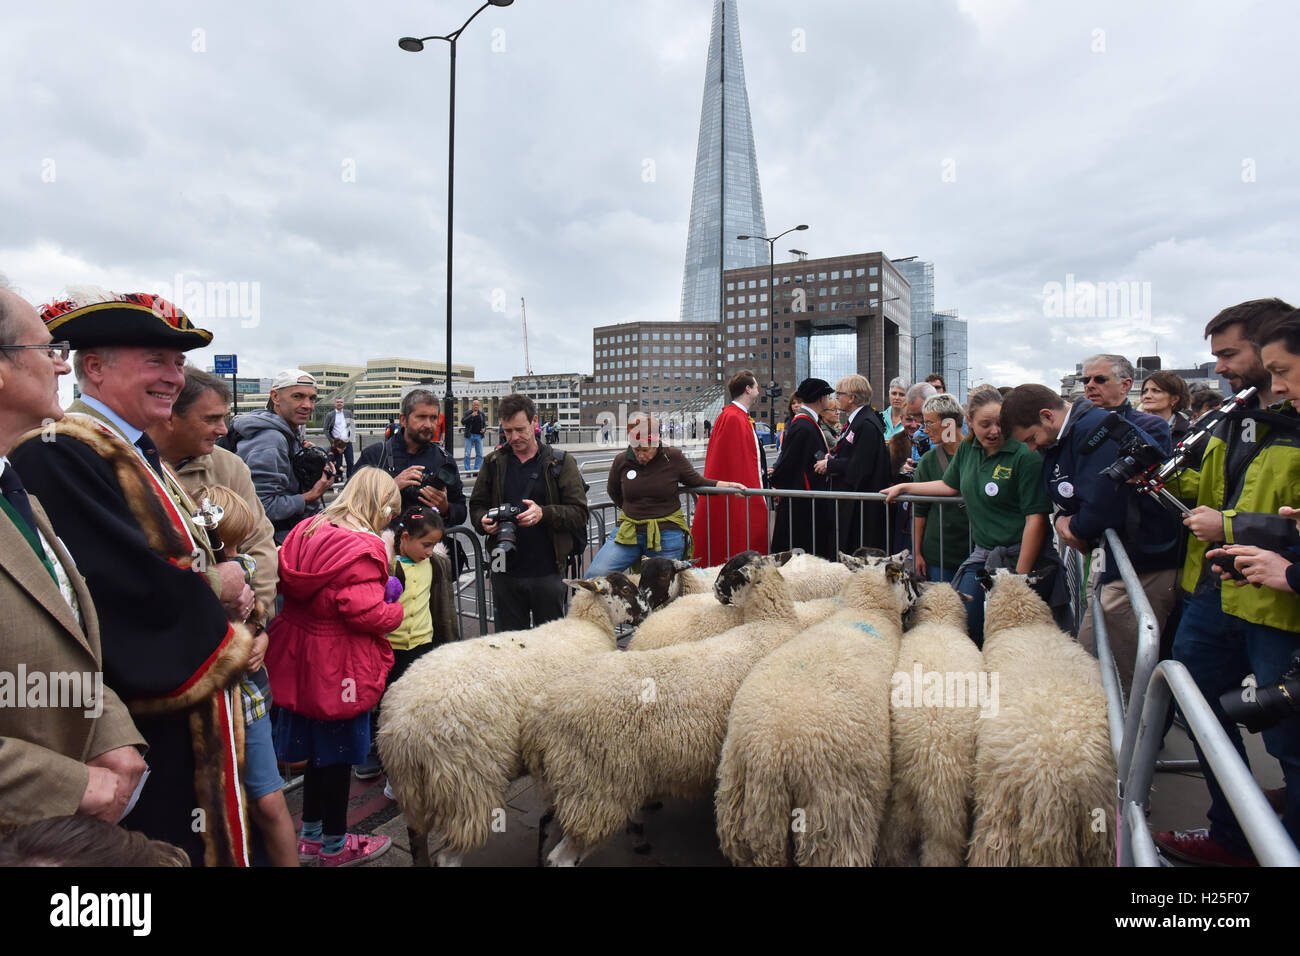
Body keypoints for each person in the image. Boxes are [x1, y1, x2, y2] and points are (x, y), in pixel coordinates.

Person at [10, 287, 256, 866]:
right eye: (156, 360)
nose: (175, 376)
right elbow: (126, 591)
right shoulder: (60, 450)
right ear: (94, 368)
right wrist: (223, 605)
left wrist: (233, 588)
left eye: (178, 363)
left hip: (179, 718)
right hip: (147, 728)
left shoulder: (133, 448)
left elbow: (196, 558)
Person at [1155, 298, 1300, 866]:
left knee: (1288, 741)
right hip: (1215, 592)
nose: (1219, 367)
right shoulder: (1236, 416)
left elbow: (1261, 514)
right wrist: (1158, 476)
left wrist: (1231, 525)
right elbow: (1208, 492)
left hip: (1278, 607)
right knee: (1199, 709)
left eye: (1230, 354)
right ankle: (1234, 835)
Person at [0, 282, 146, 834]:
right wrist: (68, 785)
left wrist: (110, 730)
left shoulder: (17, 491)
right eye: (47, 352)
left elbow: (67, 634)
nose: (63, 369)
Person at [148, 367, 293, 865]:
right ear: (171, 416)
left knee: (262, 793)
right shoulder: (139, 471)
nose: (222, 428)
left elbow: (262, 545)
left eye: (225, 417)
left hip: (239, 665)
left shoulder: (229, 467)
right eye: (212, 418)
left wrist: (258, 627)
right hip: (175, 672)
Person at [1001, 383, 1182, 696]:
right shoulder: (1074, 436)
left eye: (1032, 438)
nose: (1032, 447)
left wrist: (1076, 525)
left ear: (1047, 416)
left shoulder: (1094, 432)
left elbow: (1103, 502)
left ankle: (1131, 737)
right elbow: (1069, 498)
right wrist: (1063, 520)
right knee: (1096, 656)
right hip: (1116, 559)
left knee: (1116, 666)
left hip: (1140, 562)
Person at [267, 466, 403, 867]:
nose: (390, 519)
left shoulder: (308, 528)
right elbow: (363, 612)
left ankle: (310, 837)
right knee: (340, 756)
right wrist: (392, 604)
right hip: (339, 665)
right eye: (390, 510)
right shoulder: (363, 546)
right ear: (379, 503)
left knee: (313, 755)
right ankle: (335, 843)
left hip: (298, 655)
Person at [883, 389, 1056, 644]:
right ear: (971, 422)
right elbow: (950, 485)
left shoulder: (1024, 455)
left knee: (1017, 630)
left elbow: (1036, 518)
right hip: (983, 553)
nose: (995, 431)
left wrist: (1018, 580)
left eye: (1000, 423)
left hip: (1021, 557)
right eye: (985, 424)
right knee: (966, 617)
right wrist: (906, 488)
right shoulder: (968, 449)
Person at [192, 484, 297, 866]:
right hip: (222, 707)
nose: (234, 557)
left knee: (267, 798)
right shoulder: (202, 576)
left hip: (247, 708)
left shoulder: (239, 571)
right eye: (227, 545)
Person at [469, 393, 589, 632]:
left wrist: (543, 513)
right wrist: (483, 521)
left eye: (520, 430)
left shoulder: (561, 463)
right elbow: (476, 506)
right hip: (503, 567)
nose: (514, 437)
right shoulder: (493, 463)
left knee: (550, 644)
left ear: (535, 422)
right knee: (509, 644)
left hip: (547, 568)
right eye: (508, 431)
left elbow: (579, 512)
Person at [586, 413, 742, 577]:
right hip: (629, 531)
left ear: (657, 442)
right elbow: (613, 491)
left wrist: (729, 486)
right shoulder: (622, 460)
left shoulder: (672, 457)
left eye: (645, 450)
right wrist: (633, 509)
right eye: (636, 449)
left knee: (663, 583)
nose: (640, 455)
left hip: (666, 532)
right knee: (595, 575)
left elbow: (697, 482)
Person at [379, 504, 447, 801]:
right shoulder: (389, 566)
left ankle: (422, 767)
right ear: (404, 537)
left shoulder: (432, 564)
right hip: (392, 648)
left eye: (434, 545)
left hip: (423, 645)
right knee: (392, 712)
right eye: (425, 544)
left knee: (420, 710)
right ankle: (395, 775)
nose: (430, 550)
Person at [230, 369, 334, 545]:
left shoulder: (287, 432)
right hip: (272, 544)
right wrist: (311, 495)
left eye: (312, 398)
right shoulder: (271, 440)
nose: (307, 405)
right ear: (275, 397)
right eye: (298, 396)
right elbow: (261, 507)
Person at [690, 371, 770, 565]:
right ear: (748, 389)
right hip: (739, 497)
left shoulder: (734, 416)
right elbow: (736, 463)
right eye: (756, 387)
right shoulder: (734, 418)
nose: (759, 391)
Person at [358, 387, 467, 523]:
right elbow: (351, 504)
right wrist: (392, 488)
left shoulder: (444, 459)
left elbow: (461, 510)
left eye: (433, 418)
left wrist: (445, 508)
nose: (428, 425)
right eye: (421, 417)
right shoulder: (375, 456)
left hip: (429, 542)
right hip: (381, 541)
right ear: (403, 420)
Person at [815, 373, 890, 553]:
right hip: (853, 501)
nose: (836, 398)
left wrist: (830, 465)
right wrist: (833, 459)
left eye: (839, 393)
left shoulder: (866, 423)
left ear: (852, 398)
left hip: (862, 506)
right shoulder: (858, 420)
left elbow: (861, 465)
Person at [771, 378, 837, 560]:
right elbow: (788, 461)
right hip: (802, 504)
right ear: (820, 398)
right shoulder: (803, 425)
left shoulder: (806, 423)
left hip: (804, 501)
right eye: (827, 395)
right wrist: (778, 484)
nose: (829, 399)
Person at [912, 393, 971, 582]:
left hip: (975, 551)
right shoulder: (928, 461)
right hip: (938, 553)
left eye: (930, 423)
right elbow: (920, 510)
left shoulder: (978, 453)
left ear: (949, 424)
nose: (925, 429)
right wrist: (917, 552)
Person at [1140, 370, 1194, 443]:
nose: (1147, 396)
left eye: (1156, 391)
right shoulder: (1132, 428)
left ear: (1174, 399)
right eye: (1145, 391)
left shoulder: (1190, 435)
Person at [324, 396, 355, 482]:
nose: (339, 403)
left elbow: (352, 426)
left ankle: (350, 480)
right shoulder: (330, 415)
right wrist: (332, 441)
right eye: (337, 402)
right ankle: (339, 480)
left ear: (343, 404)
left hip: (347, 442)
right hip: (337, 444)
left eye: (341, 402)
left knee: (350, 462)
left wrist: (351, 438)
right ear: (334, 404)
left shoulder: (348, 413)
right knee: (338, 463)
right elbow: (325, 429)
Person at [461, 398, 486, 472]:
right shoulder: (467, 413)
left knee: (480, 454)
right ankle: (468, 471)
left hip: (479, 436)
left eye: (477, 405)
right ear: (472, 405)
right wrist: (471, 415)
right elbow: (463, 422)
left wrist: (484, 430)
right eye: (475, 404)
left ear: (479, 406)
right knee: (467, 454)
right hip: (470, 435)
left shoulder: (482, 414)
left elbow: (484, 425)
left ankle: (476, 470)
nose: (476, 406)